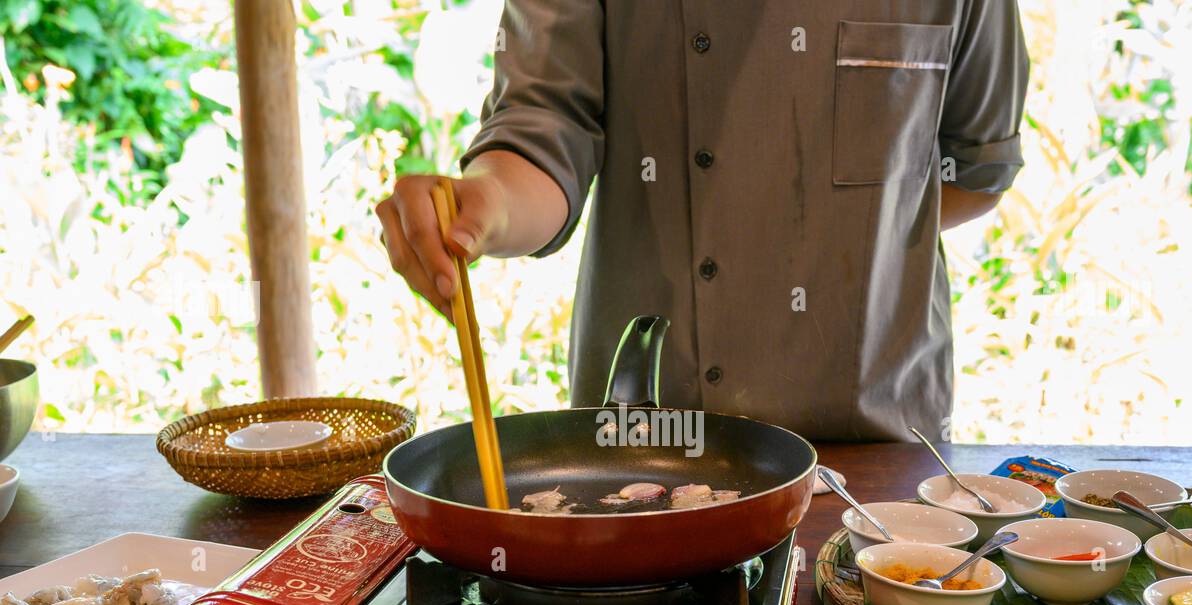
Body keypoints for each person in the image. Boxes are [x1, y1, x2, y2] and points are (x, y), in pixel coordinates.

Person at [376, 1, 1029, 441]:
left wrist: (834, 228)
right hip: (651, 442)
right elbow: (544, 132)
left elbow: (972, 172)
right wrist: (487, 203)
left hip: (874, 448)